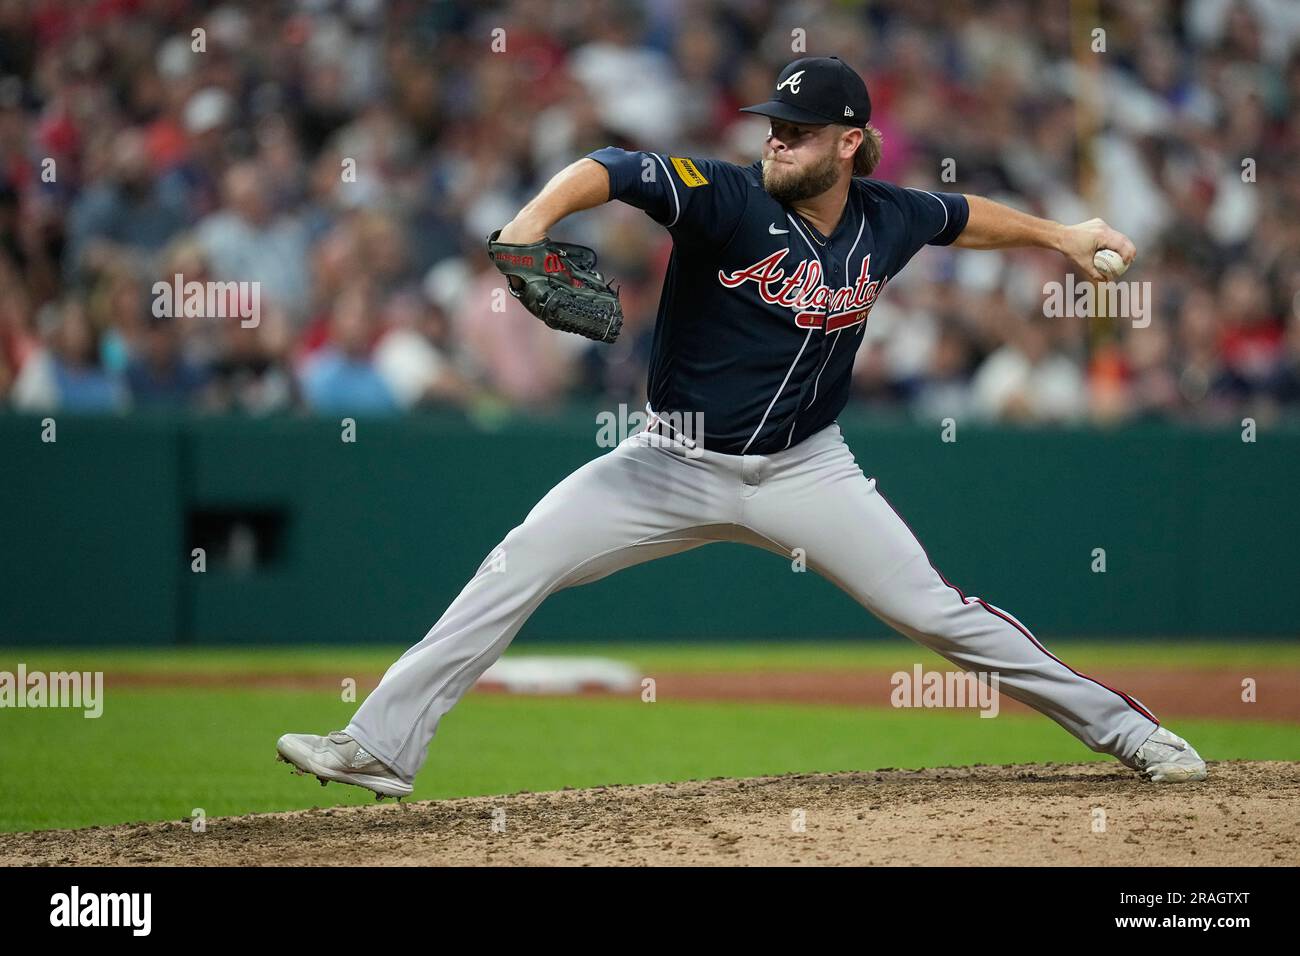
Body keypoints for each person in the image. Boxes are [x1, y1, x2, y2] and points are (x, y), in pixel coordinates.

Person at [276, 57, 1206, 798]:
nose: (777, 140)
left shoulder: (888, 216)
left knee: (939, 613)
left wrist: (1062, 233)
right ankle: (380, 747)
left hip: (809, 470)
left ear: (850, 143)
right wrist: (529, 221)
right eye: (773, 125)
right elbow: (612, 167)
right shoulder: (725, 195)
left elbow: (964, 218)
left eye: (797, 131)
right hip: (668, 461)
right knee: (520, 561)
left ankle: (1131, 732)